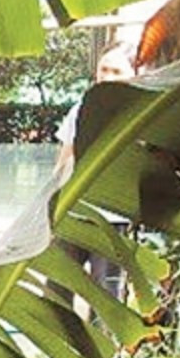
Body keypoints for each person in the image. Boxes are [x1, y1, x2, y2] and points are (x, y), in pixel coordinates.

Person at [51, 41, 135, 305]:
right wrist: (52, 206)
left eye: (116, 71)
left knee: (107, 299)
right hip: (73, 213)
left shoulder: (140, 113)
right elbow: (64, 159)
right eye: (103, 69)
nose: (107, 77)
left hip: (113, 221)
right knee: (57, 292)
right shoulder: (81, 108)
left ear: (134, 74)